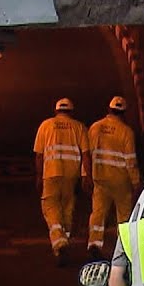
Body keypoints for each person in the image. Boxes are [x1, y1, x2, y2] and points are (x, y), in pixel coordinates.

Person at [34, 98, 89, 265]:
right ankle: (63, 241)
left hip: (51, 173)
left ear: (56, 111)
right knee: (67, 208)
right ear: (71, 112)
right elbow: (86, 154)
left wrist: (38, 176)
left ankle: (60, 243)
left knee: (50, 208)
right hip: (71, 176)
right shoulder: (79, 127)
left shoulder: (45, 125)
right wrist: (86, 176)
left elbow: (39, 155)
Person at [84, 96, 141, 259]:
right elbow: (130, 161)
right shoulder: (127, 132)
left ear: (109, 110)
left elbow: (88, 154)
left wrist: (86, 176)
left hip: (100, 179)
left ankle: (94, 244)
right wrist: (136, 182)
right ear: (124, 113)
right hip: (121, 182)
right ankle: (122, 249)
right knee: (123, 216)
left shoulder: (95, 128)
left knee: (98, 213)